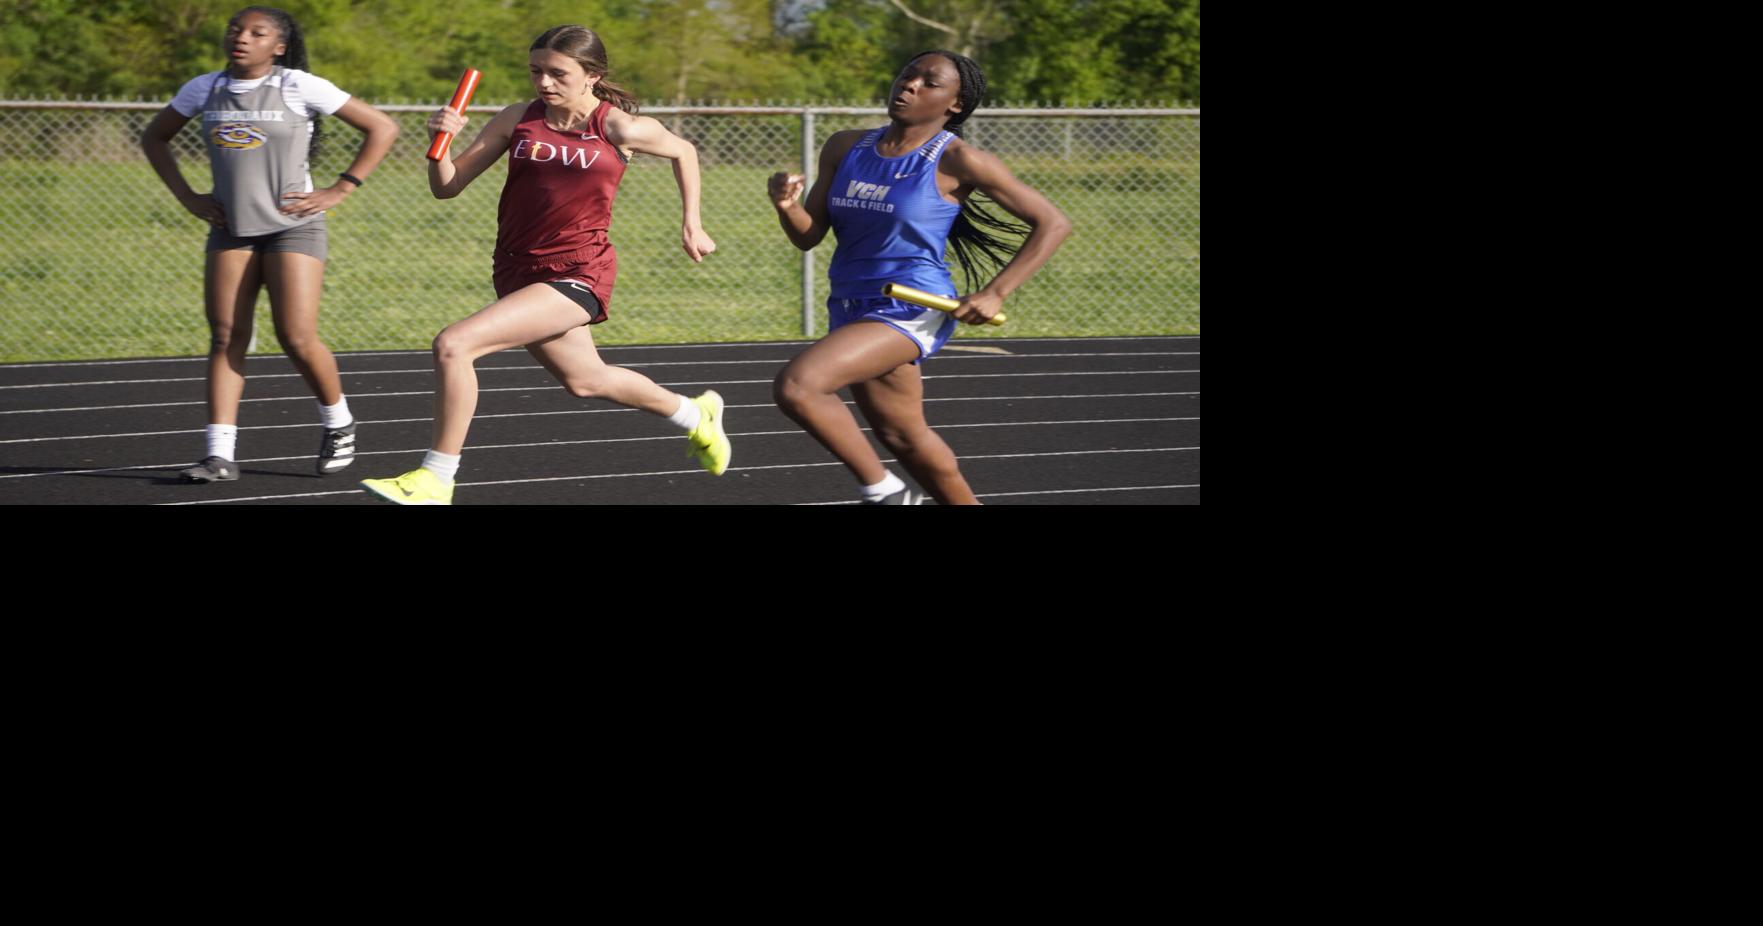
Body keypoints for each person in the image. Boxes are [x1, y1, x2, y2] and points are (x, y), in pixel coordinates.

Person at [359, 25, 724, 506]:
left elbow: (685, 151)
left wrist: (691, 224)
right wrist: (441, 144)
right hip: (516, 269)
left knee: (454, 345)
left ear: (591, 75)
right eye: (536, 72)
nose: (544, 83)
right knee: (586, 380)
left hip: (579, 270)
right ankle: (695, 415)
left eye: (558, 73)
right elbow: (446, 186)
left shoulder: (619, 127)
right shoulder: (518, 119)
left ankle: (435, 479)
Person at [767, 50, 1071, 505]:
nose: (909, 85)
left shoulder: (959, 159)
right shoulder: (845, 146)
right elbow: (809, 238)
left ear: (954, 103)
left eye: (929, 82)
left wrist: (995, 292)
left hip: (912, 306)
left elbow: (1053, 222)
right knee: (904, 437)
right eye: (908, 74)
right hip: (851, 304)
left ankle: (886, 492)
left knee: (799, 385)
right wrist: (787, 206)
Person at [141, 5, 399, 483]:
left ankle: (338, 422)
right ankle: (219, 455)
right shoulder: (204, 88)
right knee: (225, 336)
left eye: (257, 33)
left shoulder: (297, 85)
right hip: (230, 227)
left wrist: (341, 187)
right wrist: (186, 196)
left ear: (278, 46)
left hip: (292, 226)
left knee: (296, 337)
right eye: (236, 30)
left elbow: (383, 127)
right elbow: (155, 138)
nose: (242, 37)